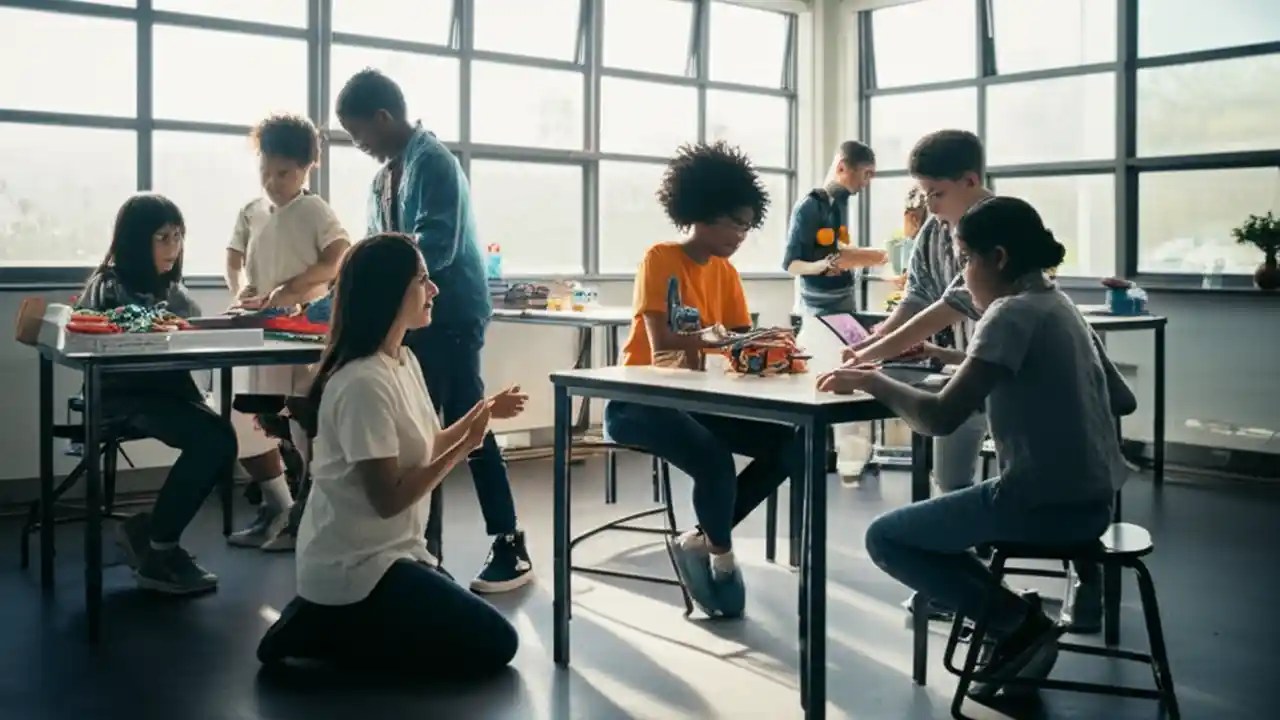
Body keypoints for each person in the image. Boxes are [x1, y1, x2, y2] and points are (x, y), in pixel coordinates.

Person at [817, 197, 1136, 701]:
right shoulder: (1061, 304)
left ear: (999, 258)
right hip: (1095, 503)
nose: (963, 278)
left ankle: (1015, 621)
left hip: (1040, 504)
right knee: (946, 524)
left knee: (888, 538)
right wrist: (959, 358)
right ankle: (1013, 618)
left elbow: (940, 418)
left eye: (965, 259)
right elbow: (1124, 398)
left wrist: (873, 380)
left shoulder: (1008, 314)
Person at [256, 232, 522, 674]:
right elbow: (389, 499)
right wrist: (465, 448)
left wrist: (483, 415)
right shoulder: (363, 383)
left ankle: (337, 623)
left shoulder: (404, 361)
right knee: (499, 642)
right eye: (422, 279)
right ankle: (325, 624)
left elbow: (429, 443)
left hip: (396, 554)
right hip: (356, 566)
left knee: (470, 628)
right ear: (390, 292)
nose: (434, 288)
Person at [334, 68, 532, 594]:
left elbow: (434, 249)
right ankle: (425, 551)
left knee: (470, 425)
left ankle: (508, 541)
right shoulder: (383, 179)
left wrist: (385, 287)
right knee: (420, 436)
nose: (361, 147)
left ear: (383, 117)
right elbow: (379, 252)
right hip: (412, 317)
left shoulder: (434, 163)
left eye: (361, 136)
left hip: (451, 317)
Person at [604, 141, 801, 619]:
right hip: (638, 400)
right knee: (713, 461)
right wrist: (733, 343)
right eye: (734, 221)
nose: (740, 233)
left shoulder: (727, 272)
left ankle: (700, 537)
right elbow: (663, 341)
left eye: (748, 225)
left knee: (795, 445)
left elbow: (737, 341)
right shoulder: (661, 258)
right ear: (702, 211)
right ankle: (722, 557)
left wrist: (770, 348)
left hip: (698, 400)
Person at [78, 193, 238, 595]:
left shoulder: (175, 291)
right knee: (214, 439)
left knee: (220, 438)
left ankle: (151, 534)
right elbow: (104, 344)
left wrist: (235, 318)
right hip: (122, 397)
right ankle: (158, 550)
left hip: (164, 395)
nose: (173, 247)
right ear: (136, 241)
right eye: (162, 237)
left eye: (178, 236)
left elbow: (194, 337)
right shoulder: (107, 286)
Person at [224, 113, 351, 551]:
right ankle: (279, 505)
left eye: (284, 173)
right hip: (260, 330)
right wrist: (244, 290)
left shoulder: (314, 210)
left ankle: (306, 519)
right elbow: (234, 257)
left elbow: (339, 256)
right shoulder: (252, 210)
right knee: (244, 419)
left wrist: (289, 290)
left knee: (302, 425)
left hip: (302, 333)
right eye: (266, 171)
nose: (273, 181)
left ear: (306, 169)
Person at [784, 141, 888, 480]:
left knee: (852, 375)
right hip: (818, 312)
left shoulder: (840, 203)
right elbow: (792, 263)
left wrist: (877, 257)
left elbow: (838, 249)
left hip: (844, 307)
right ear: (844, 167)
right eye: (865, 174)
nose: (867, 182)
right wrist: (823, 266)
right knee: (820, 385)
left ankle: (850, 463)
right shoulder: (809, 207)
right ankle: (814, 461)